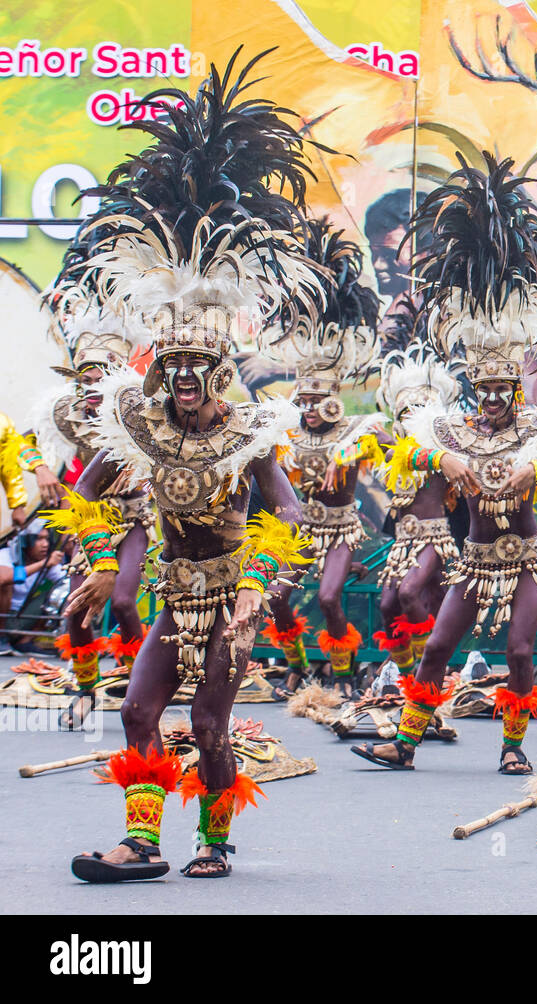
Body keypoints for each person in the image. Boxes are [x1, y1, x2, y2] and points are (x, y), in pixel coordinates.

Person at [55, 50, 316, 882]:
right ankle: (140, 841)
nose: (184, 389)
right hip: (176, 592)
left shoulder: (248, 433)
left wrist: (256, 589)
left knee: (209, 724)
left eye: (197, 376)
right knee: (137, 709)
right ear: (163, 376)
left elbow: (290, 513)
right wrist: (98, 562)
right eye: (172, 375)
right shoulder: (136, 426)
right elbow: (84, 492)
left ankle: (213, 840)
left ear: (218, 376)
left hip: (231, 597)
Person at [350, 153, 537, 776]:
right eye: (482, 391)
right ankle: (404, 742)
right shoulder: (451, 430)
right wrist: (445, 460)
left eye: (501, 392)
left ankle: (513, 747)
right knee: (435, 645)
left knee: (517, 651)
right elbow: (410, 445)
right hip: (474, 558)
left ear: (514, 391)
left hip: (526, 559)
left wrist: (536, 472)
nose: (491, 401)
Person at [261, 219, 382, 699]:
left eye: (318, 401)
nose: (310, 410)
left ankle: (344, 671)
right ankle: (296, 666)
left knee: (330, 597)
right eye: (302, 401)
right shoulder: (286, 434)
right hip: (297, 530)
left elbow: (381, 431)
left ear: (334, 399)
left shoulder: (355, 430)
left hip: (339, 529)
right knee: (279, 599)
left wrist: (351, 447)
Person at [30, 292, 153, 726]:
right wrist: (42, 469)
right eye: (85, 379)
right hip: (91, 518)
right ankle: (84, 690)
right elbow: (28, 441)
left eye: (101, 379)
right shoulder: (66, 413)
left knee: (122, 602)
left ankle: (141, 684)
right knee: (79, 610)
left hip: (136, 516)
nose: (92, 388)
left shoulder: (142, 412)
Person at [369, 344, 462, 679]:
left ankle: (428, 674)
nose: (410, 417)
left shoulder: (442, 447)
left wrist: (388, 443)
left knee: (409, 593)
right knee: (387, 607)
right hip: (403, 539)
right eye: (404, 412)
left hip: (435, 536)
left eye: (417, 411)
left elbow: (421, 458)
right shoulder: (393, 446)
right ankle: (407, 676)